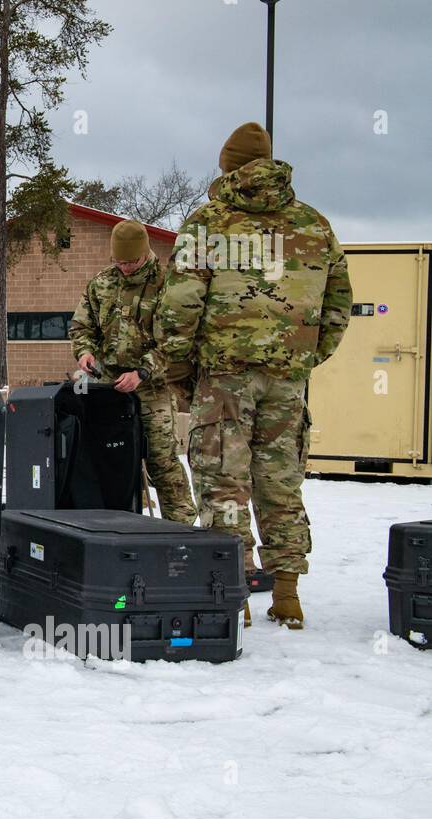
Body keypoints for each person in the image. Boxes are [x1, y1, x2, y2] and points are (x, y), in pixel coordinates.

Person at [149, 122, 351, 629]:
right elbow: (338, 307)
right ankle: (287, 596)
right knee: (281, 481)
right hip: (287, 380)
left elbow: (178, 307)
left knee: (224, 485)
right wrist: (301, 359)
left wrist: (178, 372)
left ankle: (230, 592)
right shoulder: (316, 225)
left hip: (223, 379)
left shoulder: (208, 223)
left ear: (226, 166)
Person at [69, 219, 196, 524]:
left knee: (162, 462)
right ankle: (117, 524)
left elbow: (177, 340)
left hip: (152, 388)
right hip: (108, 389)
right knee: (111, 459)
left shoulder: (167, 284)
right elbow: (81, 326)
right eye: (119, 261)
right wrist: (84, 351)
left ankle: (180, 530)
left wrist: (142, 372)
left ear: (145, 253)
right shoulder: (101, 283)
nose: (125, 267)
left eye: (132, 261)